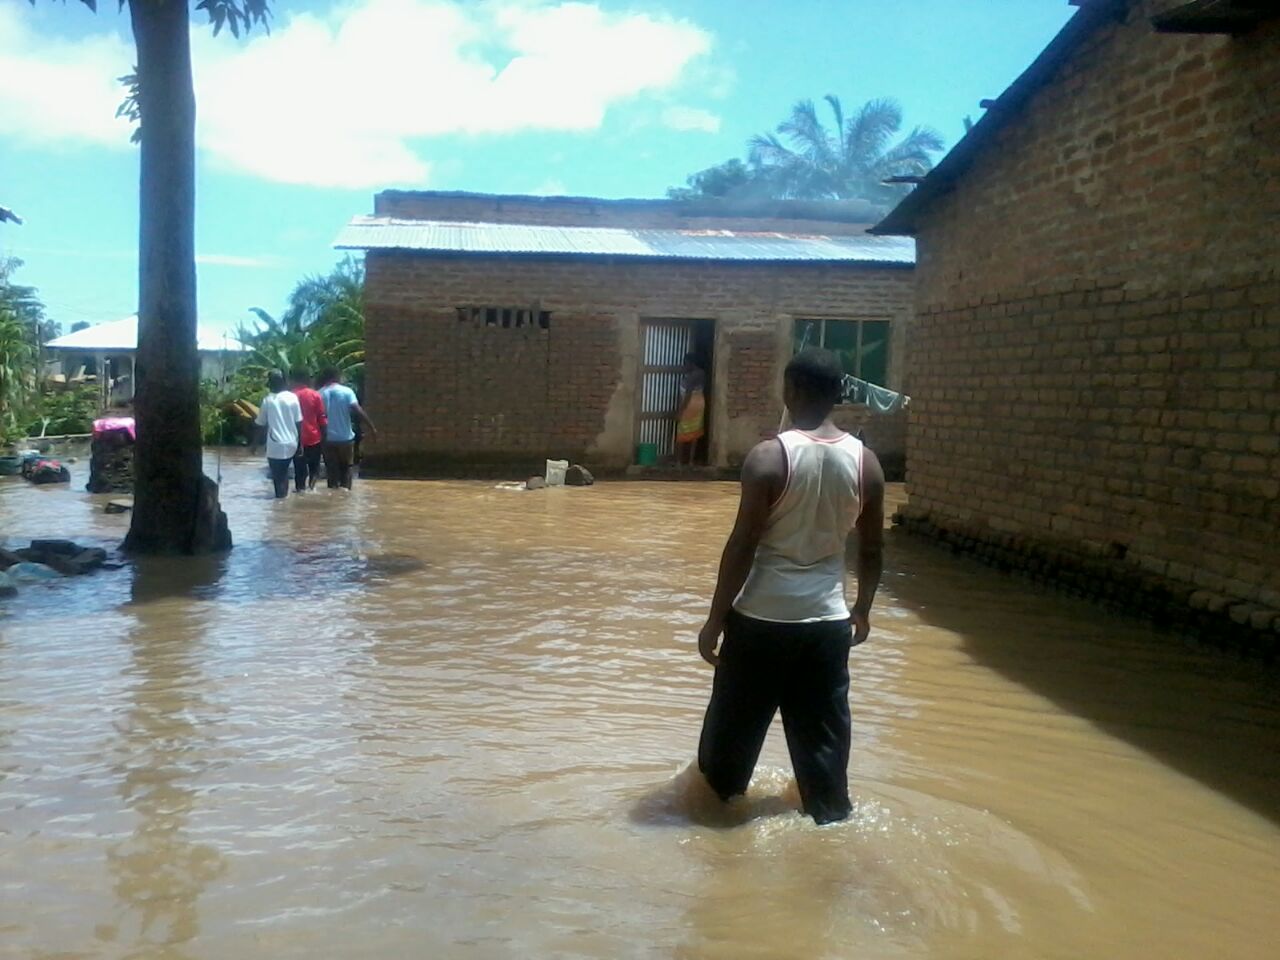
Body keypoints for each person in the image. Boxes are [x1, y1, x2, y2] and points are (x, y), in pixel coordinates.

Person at [694, 348, 885, 825]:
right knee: (824, 750)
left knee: (728, 749)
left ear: (791, 390)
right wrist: (862, 609)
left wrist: (716, 619)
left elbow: (742, 546)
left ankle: (717, 833)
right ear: (838, 394)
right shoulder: (867, 464)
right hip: (826, 625)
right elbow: (872, 551)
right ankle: (828, 828)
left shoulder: (768, 458)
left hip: (761, 622)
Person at [318, 367, 378, 490]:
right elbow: (358, 410)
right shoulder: (347, 392)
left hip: (327, 439)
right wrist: (372, 428)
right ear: (337, 377)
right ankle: (346, 498)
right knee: (347, 469)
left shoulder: (319, 393)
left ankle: (333, 500)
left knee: (331, 471)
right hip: (345, 439)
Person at [253, 369, 303, 499]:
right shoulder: (293, 398)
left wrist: (254, 445)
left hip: (275, 444)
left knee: (277, 476)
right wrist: (300, 444)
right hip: (292, 442)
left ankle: (280, 502)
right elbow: (299, 423)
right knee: (284, 473)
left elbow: (261, 424)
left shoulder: (268, 400)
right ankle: (283, 502)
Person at [289, 367, 327, 492]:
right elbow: (321, 418)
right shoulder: (315, 395)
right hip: (314, 437)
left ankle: (300, 492)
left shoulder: (290, 396)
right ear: (306, 379)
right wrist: (324, 438)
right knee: (314, 469)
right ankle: (312, 489)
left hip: (296, 439)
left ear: (294, 380)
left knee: (299, 470)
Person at [675, 353, 706, 468]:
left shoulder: (691, 376)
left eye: (686, 363)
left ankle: (678, 461)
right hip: (700, 403)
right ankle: (691, 462)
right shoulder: (702, 373)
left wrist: (680, 411)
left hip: (690, 405)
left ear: (690, 363)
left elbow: (687, 395)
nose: (684, 365)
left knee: (681, 433)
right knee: (695, 433)